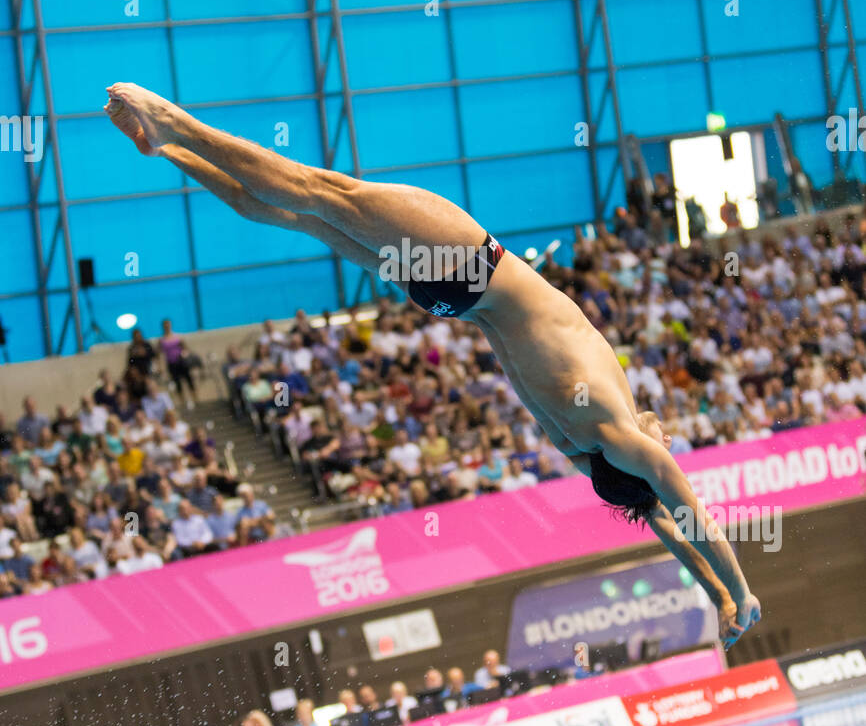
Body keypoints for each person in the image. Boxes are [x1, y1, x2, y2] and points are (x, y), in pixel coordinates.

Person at [105, 83, 762, 648]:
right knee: (301, 218)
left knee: (318, 190)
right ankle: (169, 151)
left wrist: (740, 589)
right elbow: (668, 529)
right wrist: (717, 599)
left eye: (665, 448)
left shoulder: (617, 434)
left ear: (642, 459)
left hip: (470, 266)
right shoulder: (584, 449)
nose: (668, 439)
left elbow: (691, 515)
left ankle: (176, 123)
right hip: (448, 299)